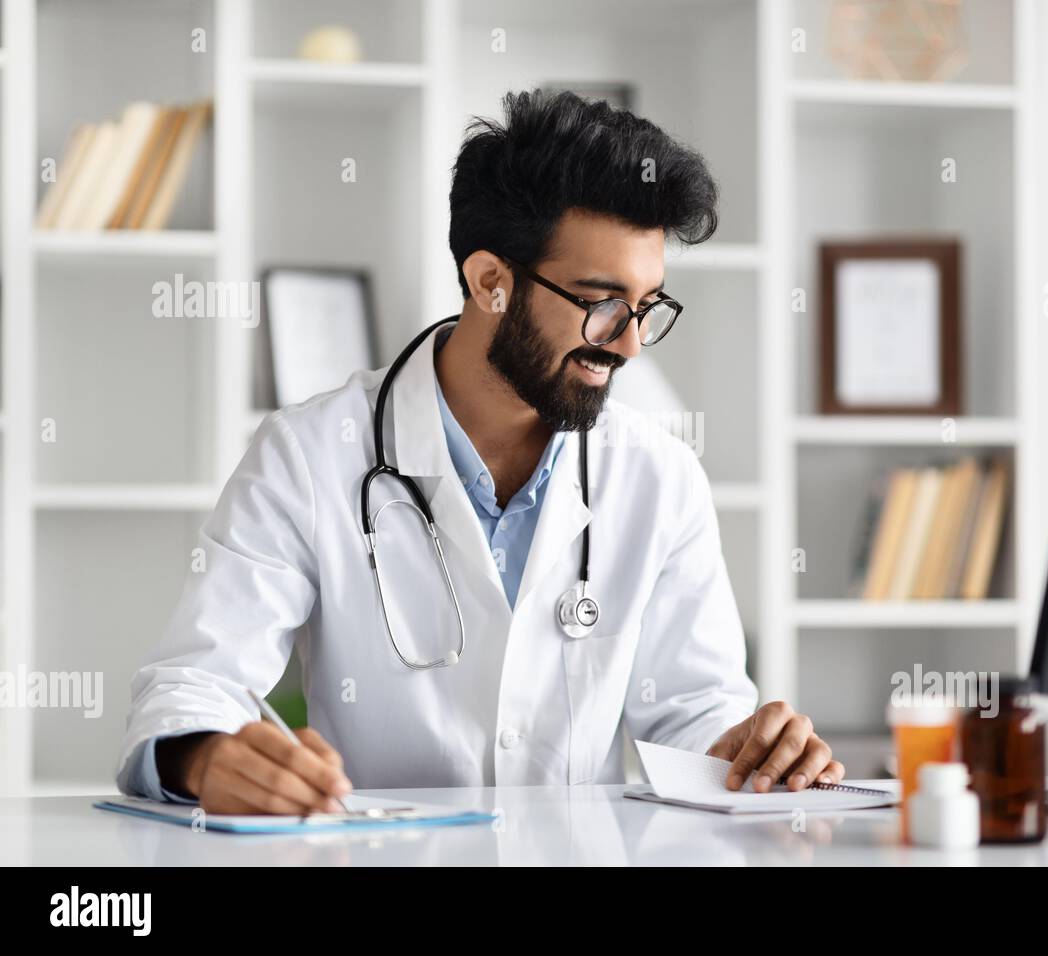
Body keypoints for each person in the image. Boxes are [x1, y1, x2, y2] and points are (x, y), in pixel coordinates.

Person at [116, 89, 843, 814]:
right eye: (602, 303)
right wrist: (209, 759)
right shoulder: (308, 454)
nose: (628, 343)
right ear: (490, 281)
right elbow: (191, 685)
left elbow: (695, 714)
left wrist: (754, 754)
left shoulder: (661, 476)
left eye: (648, 306)